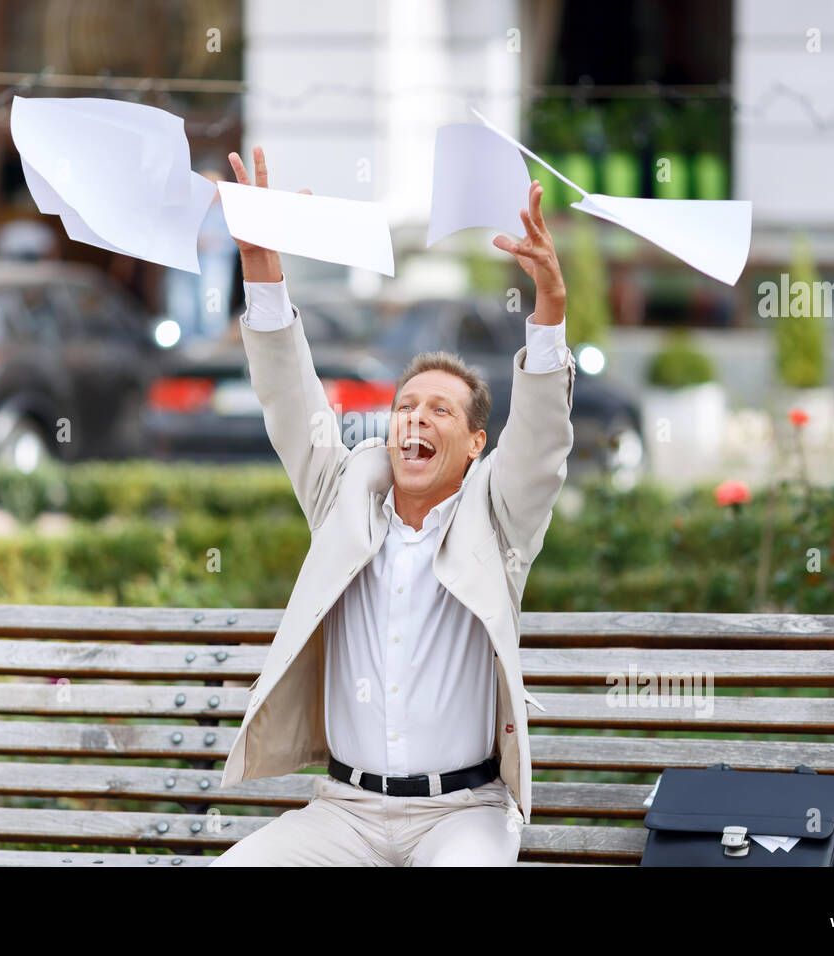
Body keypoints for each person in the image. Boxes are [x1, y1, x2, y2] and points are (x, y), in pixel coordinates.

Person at [210, 147, 575, 867]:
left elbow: (538, 445)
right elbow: (291, 401)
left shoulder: (499, 518)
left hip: (462, 815)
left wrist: (550, 314)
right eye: (406, 406)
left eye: (440, 410)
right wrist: (260, 266)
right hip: (345, 811)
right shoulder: (343, 492)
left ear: (475, 443)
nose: (415, 419)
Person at [163, 162, 238, 340]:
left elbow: (233, 242)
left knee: (212, 308)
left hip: (214, 269)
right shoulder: (184, 213)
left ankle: (213, 345)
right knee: (182, 307)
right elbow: (170, 237)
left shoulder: (228, 214)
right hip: (184, 271)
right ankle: (184, 344)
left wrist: (210, 242)